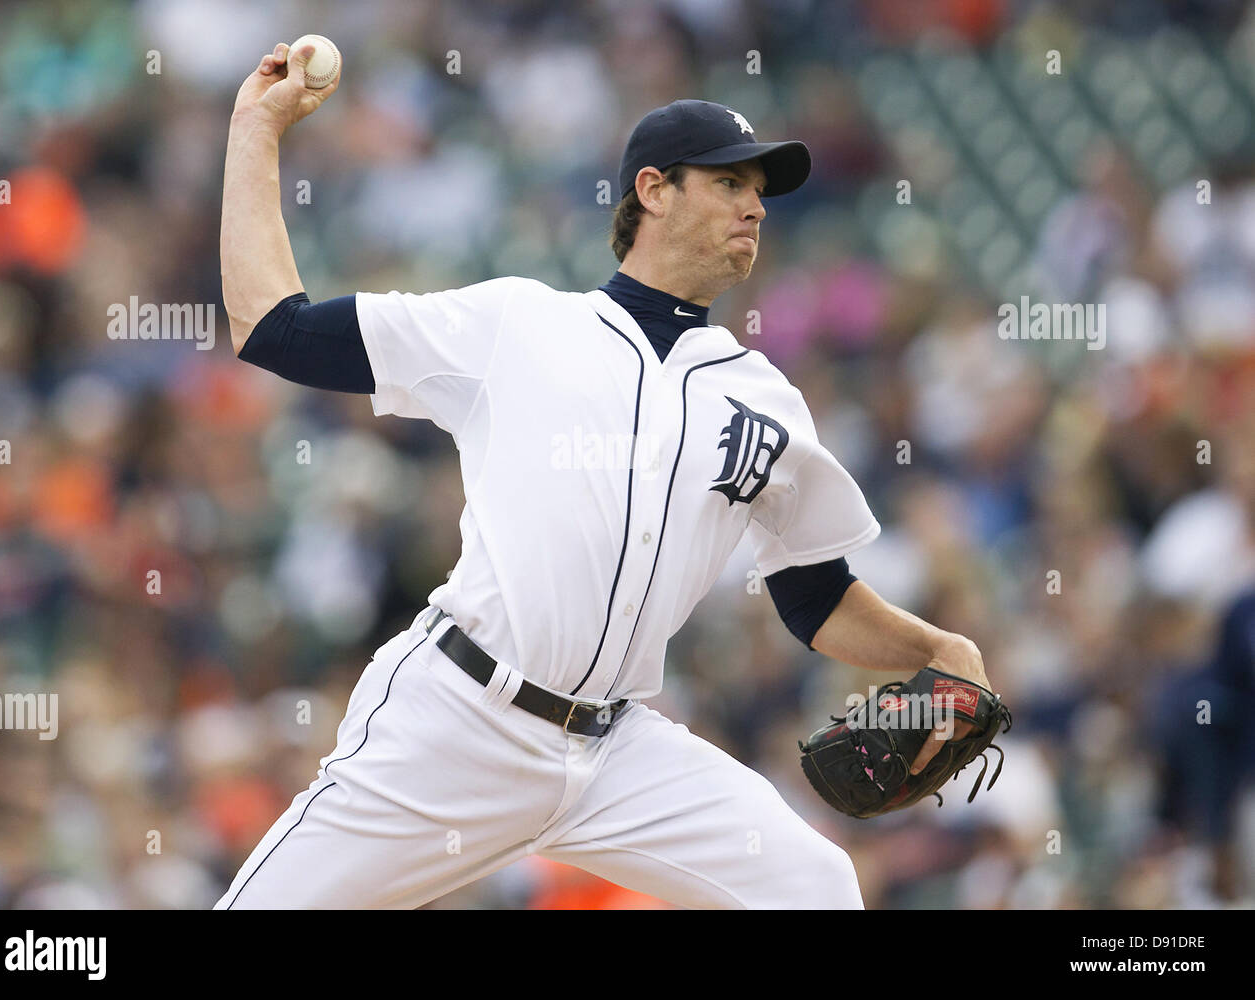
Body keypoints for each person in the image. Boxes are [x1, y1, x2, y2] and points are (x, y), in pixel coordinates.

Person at [215, 41, 992, 909]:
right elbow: (272, 329)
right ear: (652, 190)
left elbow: (813, 598)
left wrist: (935, 650)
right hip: (459, 720)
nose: (755, 209)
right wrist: (255, 128)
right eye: (729, 183)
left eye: (760, 193)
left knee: (815, 887)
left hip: (614, 755)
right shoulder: (517, 324)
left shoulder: (764, 398)